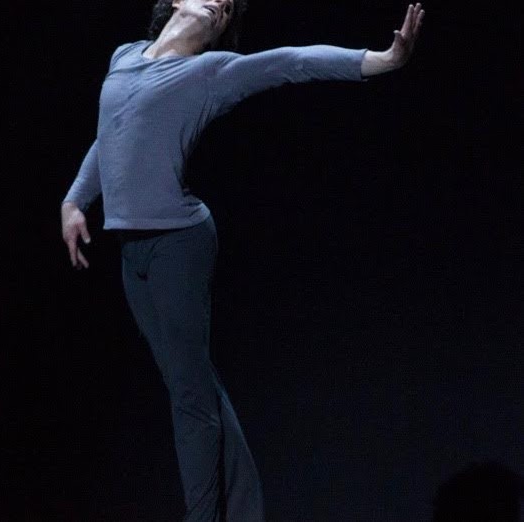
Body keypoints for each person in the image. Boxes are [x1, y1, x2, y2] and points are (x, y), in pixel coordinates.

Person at [59, 1, 425, 520]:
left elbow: (293, 61)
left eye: (229, 7)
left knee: (188, 395)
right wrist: (75, 201)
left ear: (222, 30)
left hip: (177, 244)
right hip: (131, 250)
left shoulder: (208, 73)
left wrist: (386, 59)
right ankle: (246, 510)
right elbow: (111, 131)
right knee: (192, 384)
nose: (222, 2)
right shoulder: (126, 56)